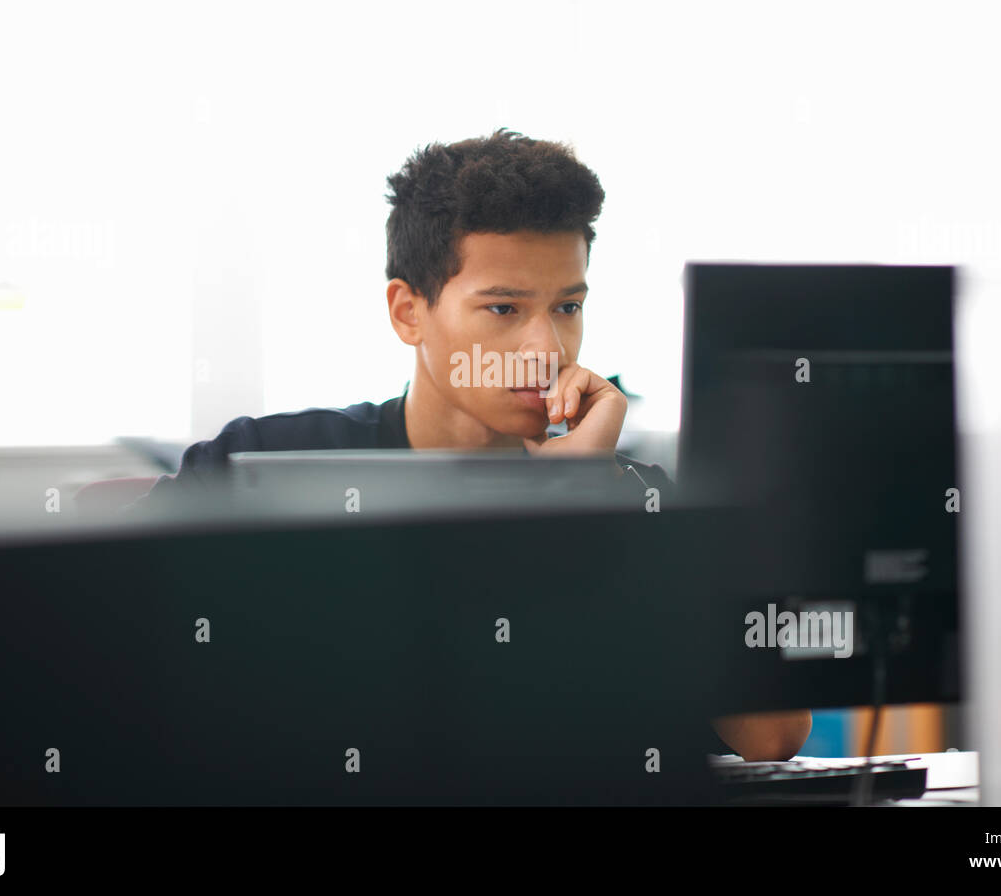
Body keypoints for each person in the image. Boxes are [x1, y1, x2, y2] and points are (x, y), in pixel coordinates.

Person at [128, 128, 811, 761]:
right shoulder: (258, 463)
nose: (546, 348)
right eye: (504, 308)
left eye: (567, 307)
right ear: (408, 311)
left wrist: (580, 505)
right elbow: (107, 651)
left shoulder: (640, 499)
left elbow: (774, 735)